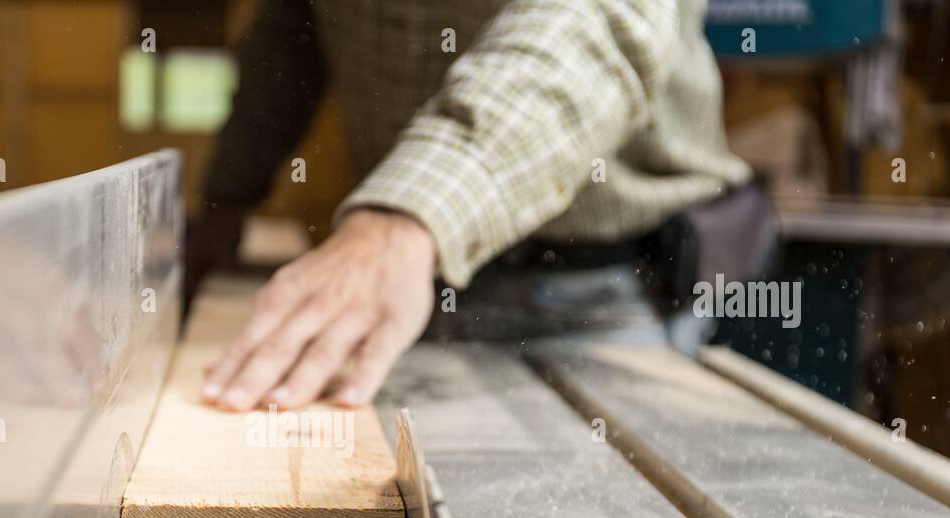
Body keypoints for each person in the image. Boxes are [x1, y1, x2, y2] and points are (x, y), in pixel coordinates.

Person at [191, 0, 768, 412]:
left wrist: (404, 220)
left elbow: (592, 23)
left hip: (603, 289)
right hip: (409, 288)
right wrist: (226, 198)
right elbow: (293, 31)